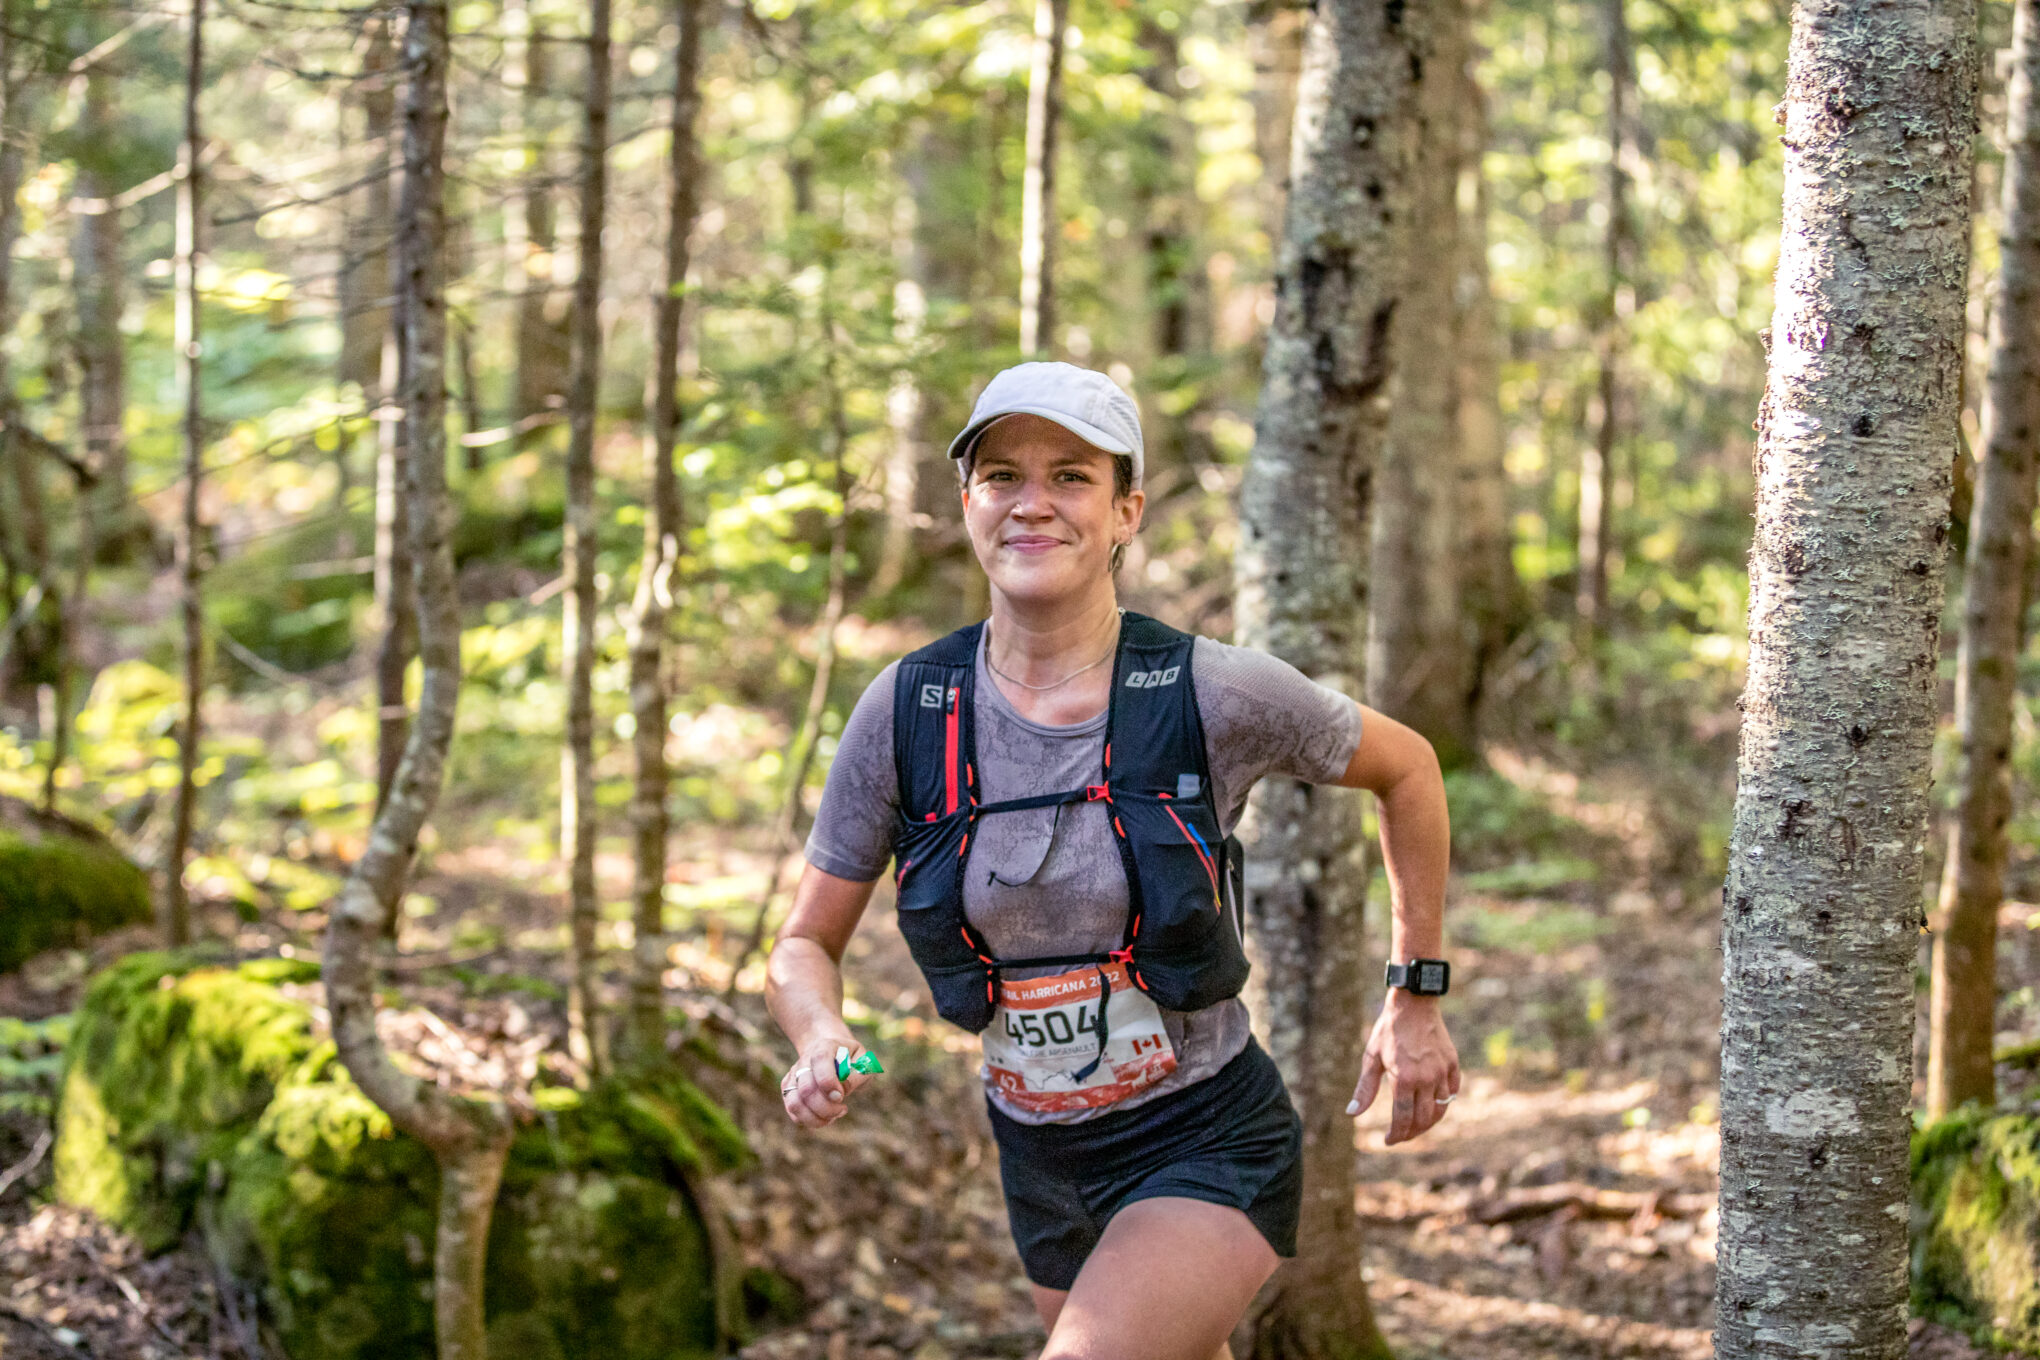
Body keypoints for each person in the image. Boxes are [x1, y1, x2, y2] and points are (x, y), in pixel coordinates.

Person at [766, 362, 1459, 1360]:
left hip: (1204, 1133)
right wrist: (820, 1035)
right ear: (967, 503)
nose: (1031, 503)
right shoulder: (910, 709)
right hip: (1039, 1157)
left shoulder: (1209, 690)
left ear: (1127, 509)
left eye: (1072, 476)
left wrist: (1417, 991)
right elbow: (801, 945)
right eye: (1002, 475)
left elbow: (1412, 767)